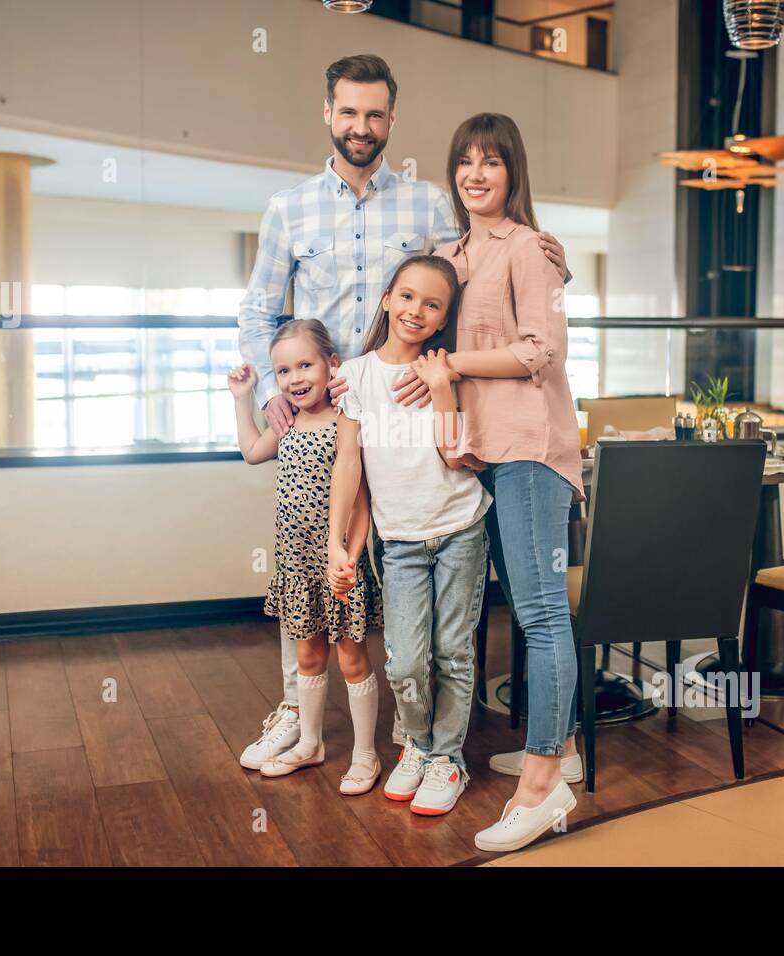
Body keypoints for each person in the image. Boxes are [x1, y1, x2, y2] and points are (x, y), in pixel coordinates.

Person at [236, 53, 568, 768]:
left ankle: (406, 733)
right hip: (321, 420)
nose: (361, 126)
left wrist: (551, 255)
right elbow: (259, 310)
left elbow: (479, 260)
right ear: (328, 114)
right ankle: (300, 717)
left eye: (375, 113)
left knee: (401, 557)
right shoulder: (287, 208)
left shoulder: (427, 205)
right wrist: (271, 394)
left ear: (392, 119)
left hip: (412, 411)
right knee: (312, 568)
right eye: (348, 112)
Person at [398, 113, 586, 852]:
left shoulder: (530, 249)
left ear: (513, 173)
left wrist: (453, 368)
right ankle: (563, 746)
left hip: (530, 447)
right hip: (484, 448)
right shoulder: (451, 253)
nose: (477, 174)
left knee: (541, 616)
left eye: (493, 162)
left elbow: (543, 347)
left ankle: (542, 786)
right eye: (466, 162)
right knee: (527, 611)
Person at [328, 255, 491, 816]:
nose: (415, 310)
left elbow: (456, 453)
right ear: (386, 300)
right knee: (403, 660)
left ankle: (447, 759)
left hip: (460, 529)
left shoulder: (447, 370)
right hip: (397, 541)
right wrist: (336, 544)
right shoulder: (356, 376)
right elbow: (348, 465)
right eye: (406, 296)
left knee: (452, 652)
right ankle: (416, 746)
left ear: (444, 318)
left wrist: (441, 384)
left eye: (432, 304)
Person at [227, 319, 383, 795]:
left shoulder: (347, 423)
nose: (295, 378)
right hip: (296, 566)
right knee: (308, 656)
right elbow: (253, 451)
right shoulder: (288, 421)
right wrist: (242, 397)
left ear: (332, 365)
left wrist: (349, 560)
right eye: (283, 371)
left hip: (338, 566)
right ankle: (310, 744)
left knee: (352, 659)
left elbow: (361, 503)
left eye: (305, 365)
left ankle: (365, 755)